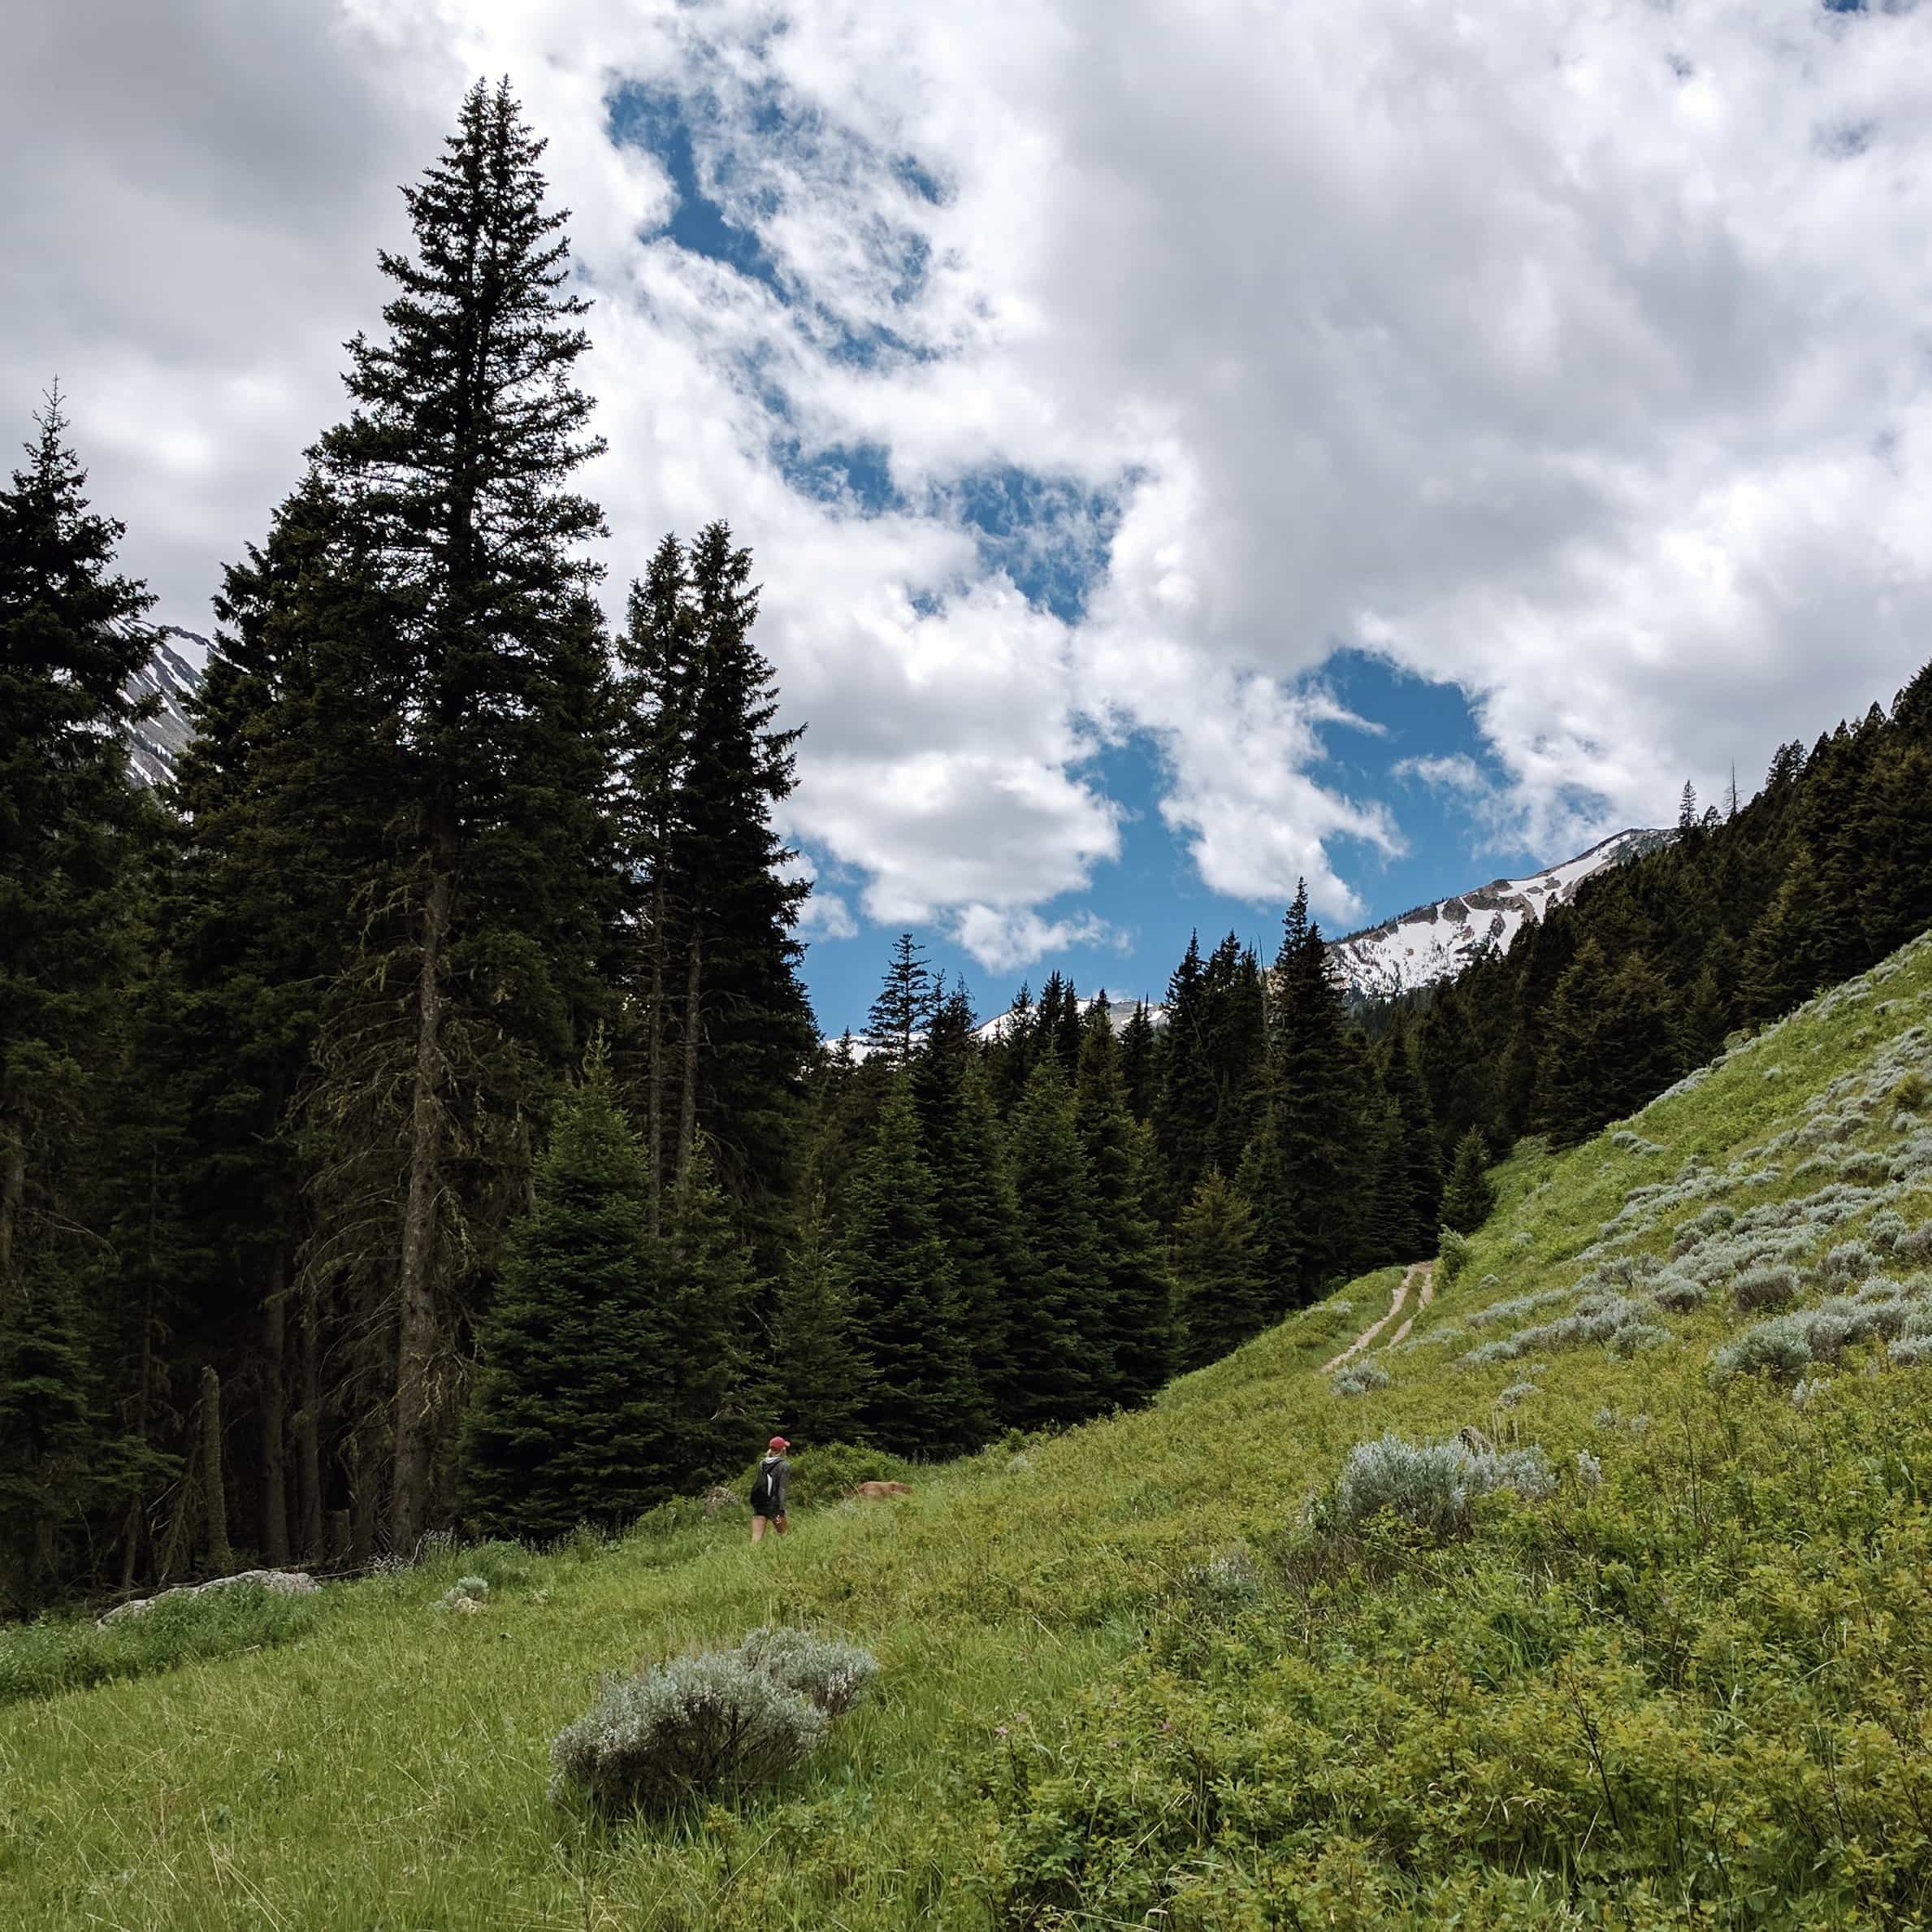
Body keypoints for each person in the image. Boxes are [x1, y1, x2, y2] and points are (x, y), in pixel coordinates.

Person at [749, 1436, 791, 1544]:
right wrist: (781, 1509)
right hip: (774, 1507)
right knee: (785, 1536)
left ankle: (751, 1558)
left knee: (755, 1540)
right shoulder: (784, 1465)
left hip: (760, 1504)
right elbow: (782, 1489)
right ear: (783, 1449)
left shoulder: (762, 1463)